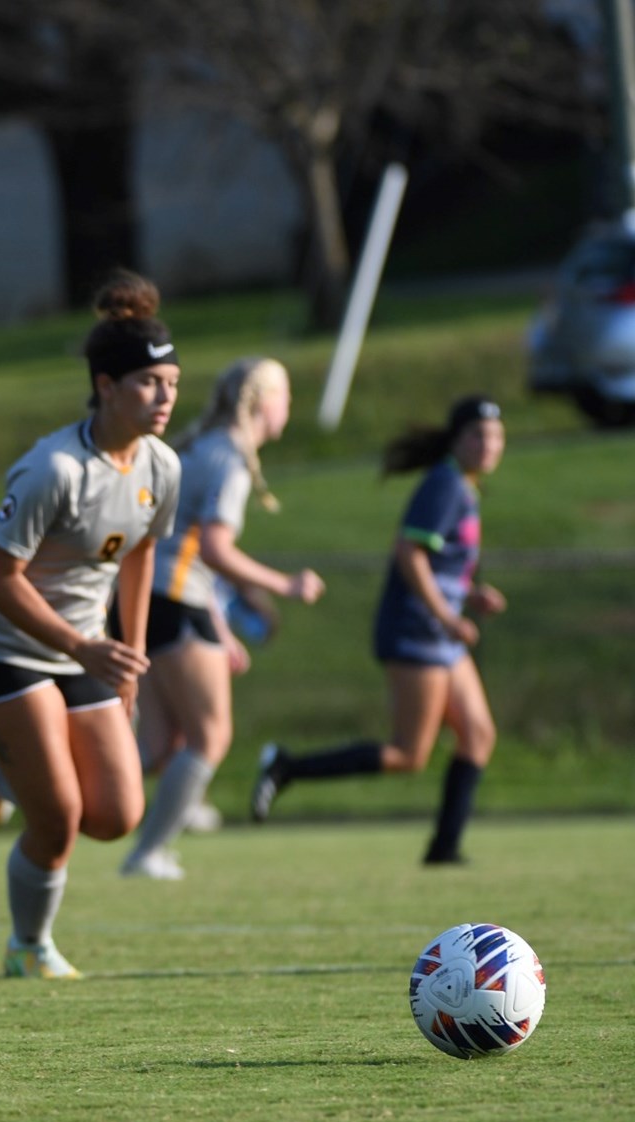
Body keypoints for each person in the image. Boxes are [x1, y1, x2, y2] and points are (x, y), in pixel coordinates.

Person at [0, 271, 182, 978]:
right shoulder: (54, 469)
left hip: (86, 653)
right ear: (107, 385)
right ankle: (28, 949)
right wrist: (84, 647)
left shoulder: (163, 466)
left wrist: (129, 655)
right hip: (2, 650)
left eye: (173, 384)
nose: (164, 398)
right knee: (56, 816)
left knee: (117, 815)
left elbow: (142, 556)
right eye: (151, 384)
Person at [251, 395, 507, 867]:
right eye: (477, 434)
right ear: (457, 440)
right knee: (409, 755)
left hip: (439, 634)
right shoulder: (446, 485)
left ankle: (444, 849)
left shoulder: (464, 487)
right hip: (417, 632)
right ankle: (287, 767)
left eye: (495, 435)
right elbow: (409, 554)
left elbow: (441, 564)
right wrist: (450, 617)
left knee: (478, 734)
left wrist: (470, 594)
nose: (488, 444)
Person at [116, 357, 325, 879]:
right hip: (176, 600)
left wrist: (222, 628)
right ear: (262, 403)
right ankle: (146, 854)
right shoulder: (229, 457)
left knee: (162, 744)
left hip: (153, 597)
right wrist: (285, 585)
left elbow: (180, 547)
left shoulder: (204, 448)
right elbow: (213, 548)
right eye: (287, 396)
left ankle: (41, 792)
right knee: (210, 738)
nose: (289, 407)